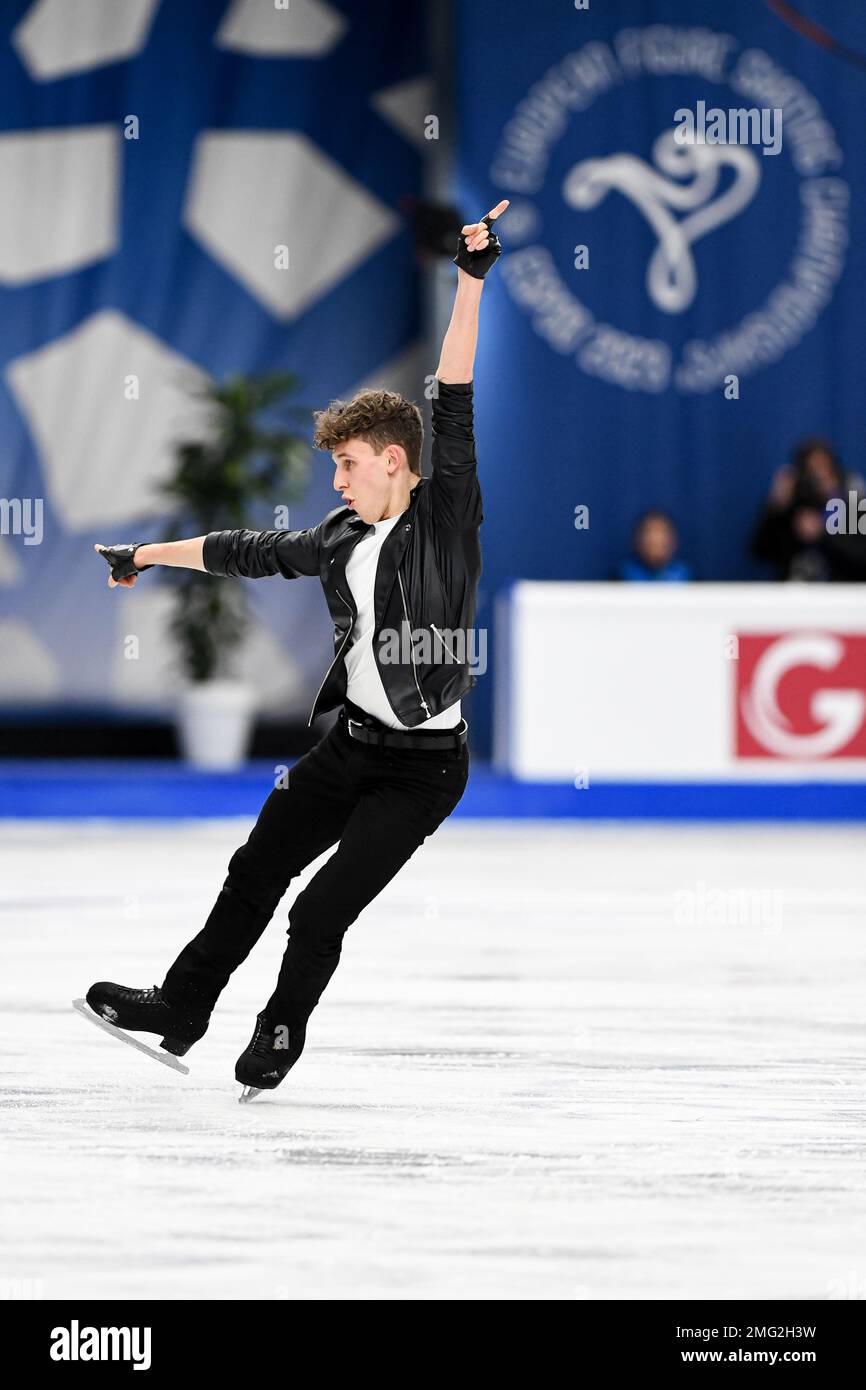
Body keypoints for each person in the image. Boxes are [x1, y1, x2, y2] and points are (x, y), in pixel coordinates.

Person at [84, 200, 509, 1096]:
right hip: (347, 745)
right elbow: (248, 549)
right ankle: (182, 1006)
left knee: (319, 910)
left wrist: (469, 282)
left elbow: (454, 391)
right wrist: (147, 556)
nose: (338, 477)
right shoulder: (338, 536)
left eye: (349, 462)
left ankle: (280, 1030)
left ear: (396, 460)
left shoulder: (446, 513)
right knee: (257, 869)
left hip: (425, 769)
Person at [752, 437, 866, 582]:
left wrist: (823, 534)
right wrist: (775, 509)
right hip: (793, 593)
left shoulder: (854, 503)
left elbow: (861, 557)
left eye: (823, 468)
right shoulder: (792, 507)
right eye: (811, 470)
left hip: (841, 594)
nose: (818, 476)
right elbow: (761, 551)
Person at [617, 509, 693, 582]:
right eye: (648, 533)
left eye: (663, 532)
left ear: (674, 541)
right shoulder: (620, 578)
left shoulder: (689, 578)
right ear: (637, 540)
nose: (655, 539)